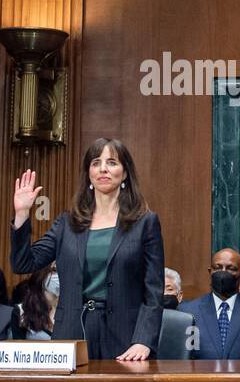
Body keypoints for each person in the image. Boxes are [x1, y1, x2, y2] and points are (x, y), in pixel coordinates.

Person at [10, 137, 164, 361]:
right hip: (71, 333)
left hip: (127, 337)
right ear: (89, 174)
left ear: (125, 173)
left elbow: (154, 290)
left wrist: (144, 339)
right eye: (95, 162)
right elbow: (23, 263)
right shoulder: (67, 223)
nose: (103, 168)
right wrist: (22, 214)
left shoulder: (145, 222)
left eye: (112, 162)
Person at [179, 248, 240, 360]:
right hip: (201, 376)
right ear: (210, 272)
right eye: (218, 268)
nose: (223, 272)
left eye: (231, 269)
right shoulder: (188, 312)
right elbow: (183, 357)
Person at [10, 271, 55, 340]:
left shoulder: (71, 308)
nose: (57, 275)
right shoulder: (22, 310)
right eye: (54, 270)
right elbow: (18, 346)